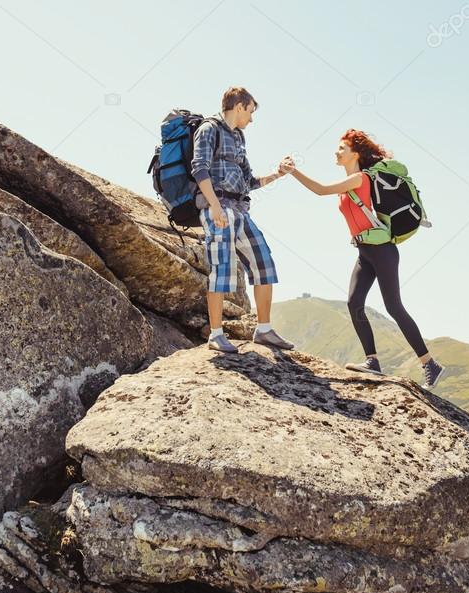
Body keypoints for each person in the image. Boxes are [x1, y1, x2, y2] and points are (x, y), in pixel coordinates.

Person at [282, 129, 446, 387]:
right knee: (354, 302)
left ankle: (430, 364)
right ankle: (372, 361)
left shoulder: (360, 179)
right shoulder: (350, 182)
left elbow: (321, 190)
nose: (336, 152)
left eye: (341, 148)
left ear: (355, 154)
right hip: (365, 251)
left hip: (382, 251)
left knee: (393, 306)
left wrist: (293, 171)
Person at [191, 87, 294, 353]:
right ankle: (216, 335)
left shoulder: (238, 138)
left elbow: (249, 181)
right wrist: (214, 206)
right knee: (221, 269)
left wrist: (277, 175)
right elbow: (199, 167)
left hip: (240, 210)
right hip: (218, 209)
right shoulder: (208, 129)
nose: (251, 119)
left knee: (264, 264)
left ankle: (264, 330)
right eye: (250, 112)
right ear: (239, 106)